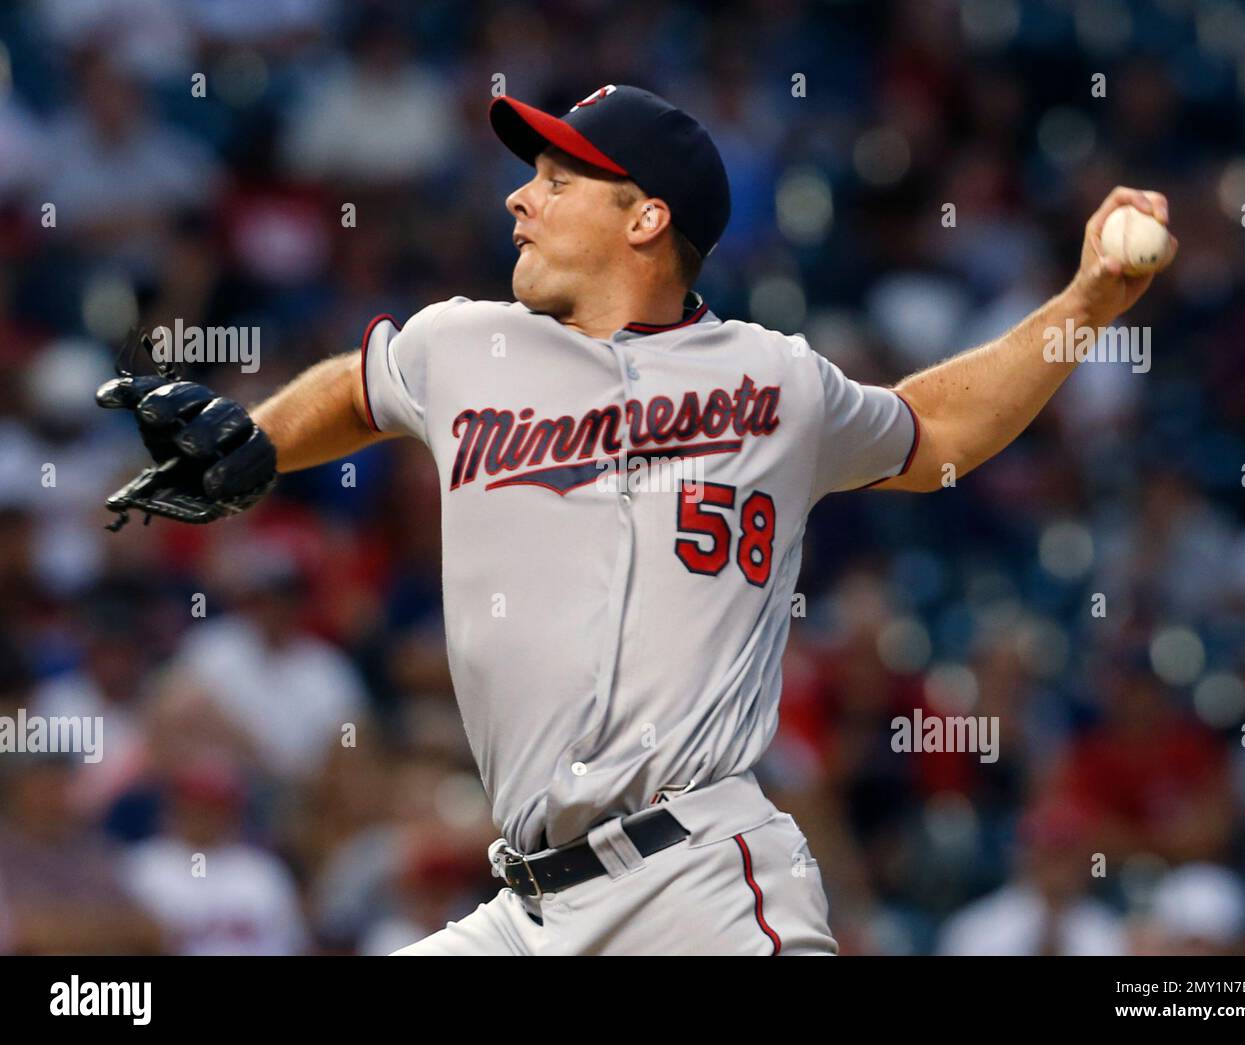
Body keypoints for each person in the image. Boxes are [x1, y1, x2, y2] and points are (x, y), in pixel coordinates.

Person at [96, 84, 1176, 955]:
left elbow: (936, 433)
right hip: (524, 904)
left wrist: (1084, 303)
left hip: (695, 882)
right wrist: (264, 445)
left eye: (556, 179)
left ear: (644, 217)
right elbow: (356, 389)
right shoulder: (464, 344)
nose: (519, 200)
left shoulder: (775, 380)